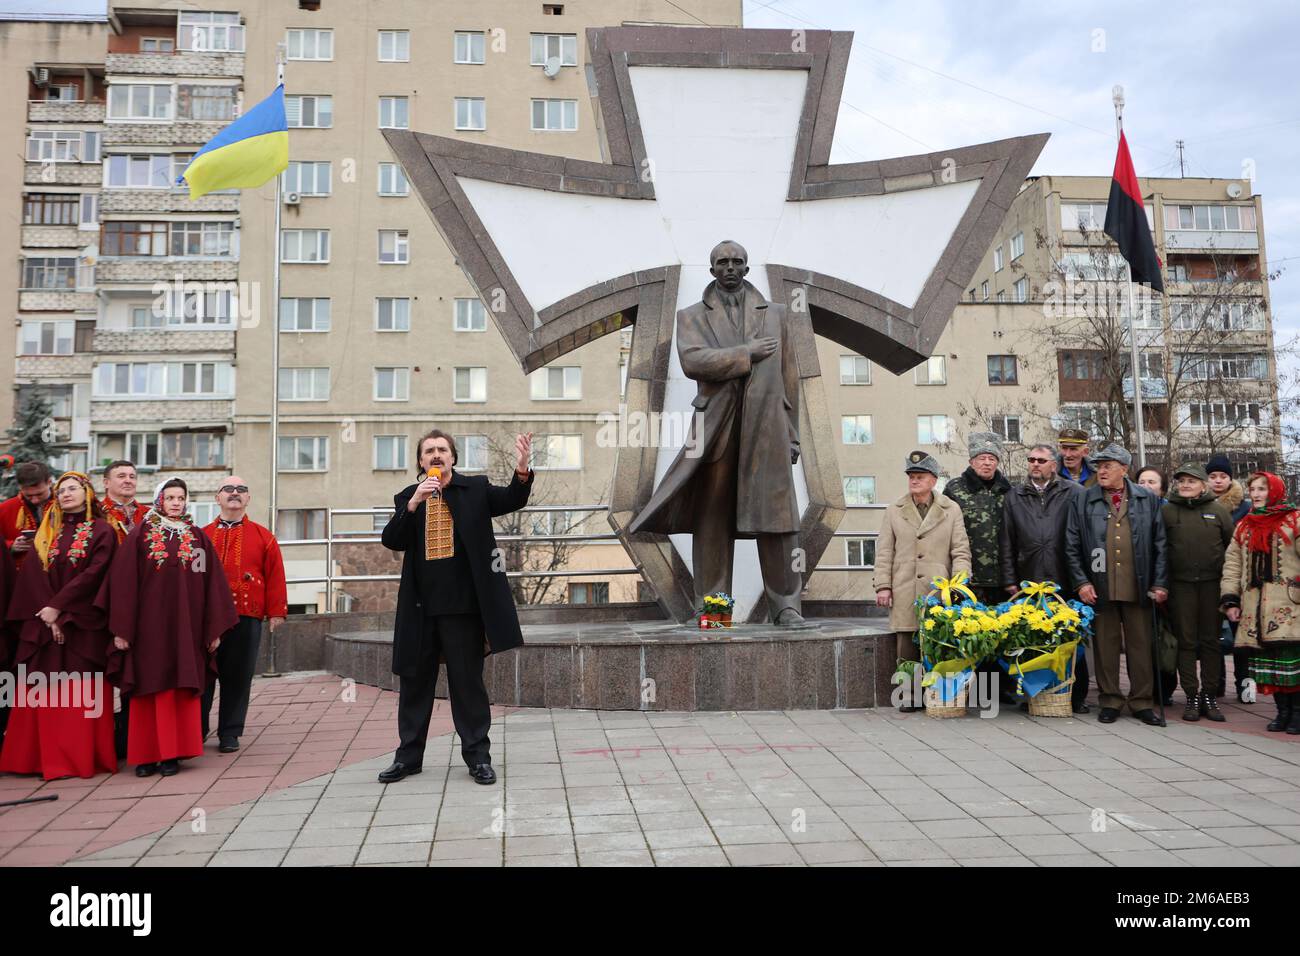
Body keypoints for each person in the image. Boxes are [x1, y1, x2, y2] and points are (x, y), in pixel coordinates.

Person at [628, 240, 805, 625]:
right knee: (712, 519)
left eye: (737, 262)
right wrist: (747, 353)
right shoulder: (691, 316)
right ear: (711, 270)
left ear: (747, 267)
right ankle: (714, 609)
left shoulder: (775, 314)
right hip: (717, 429)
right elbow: (694, 361)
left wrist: (792, 435)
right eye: (722, 262)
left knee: (776, 519)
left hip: (767, 428)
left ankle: (786, 605)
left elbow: (791, 378)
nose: (730, 267)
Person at [378, 430, 534, 785]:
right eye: (429, 451)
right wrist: (415, 502)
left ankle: (478, 757)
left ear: (453, 458)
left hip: (463, 608)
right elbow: (392, 539)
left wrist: (522, 468)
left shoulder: (475, 490)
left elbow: (512, 498)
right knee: (415, 685)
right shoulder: (408, 496)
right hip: (420, 608)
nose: (436, 455)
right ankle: (408, 758)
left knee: (467, 685)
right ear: (421, 461)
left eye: (442, 450)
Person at [102, 479, 238, 777]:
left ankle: (172, 754)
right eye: (171, 497)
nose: (176, 502)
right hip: (147, 630)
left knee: (179, 688)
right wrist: (121, 629)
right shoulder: (141, 535)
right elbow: (123, 584)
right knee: (147, 688)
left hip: (186, 630)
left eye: (181, 497)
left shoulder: (198, 538)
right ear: (159, 500)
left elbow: (213, 586)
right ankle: (146, 755)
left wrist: (213, 630)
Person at [0, 473, 117, 780]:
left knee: (77, 693)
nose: (66, 494)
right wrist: (47, 612)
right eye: (61, 490)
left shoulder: (103, 531)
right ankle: (36, 759)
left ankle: (74, 758)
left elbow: (96, 573)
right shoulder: (47, 531)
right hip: (44, 622)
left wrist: (60, 608)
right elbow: (33, 575)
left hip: (83, 623)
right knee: (43, 690)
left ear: (87, 493)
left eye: (73, 488)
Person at [1065, 443, 1168, 725]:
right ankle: (1110, 699)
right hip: (1100, 584)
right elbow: (1071, 544)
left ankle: (1142, 701)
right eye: (1099, 466)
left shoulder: (1148, 500)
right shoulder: (1084, 500)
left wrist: (1160, 583)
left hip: (1139, 584)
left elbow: (1160, 544)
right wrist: (1082, 582)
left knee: (1140, 645)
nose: (1102, 471)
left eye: (1108, 466)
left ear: (1124, 469)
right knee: (1105, 646)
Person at [874, 451, 972, 712]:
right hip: (904, 587)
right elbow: (884, 551)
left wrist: (959, 586)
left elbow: (960, 551)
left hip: (939, 590)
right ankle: (909, 696)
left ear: (933, 480)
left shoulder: (951, 510)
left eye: (920, 476)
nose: (914, 480)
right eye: (911, 476)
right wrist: (883, 585)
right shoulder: (894, 510)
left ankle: (939, 695)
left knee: (939, 643)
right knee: (906, 645)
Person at [999, 443, 1090, 714]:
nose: (1035, 464)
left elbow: (1083, 538)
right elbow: (1006, 541)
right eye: (1031, 460)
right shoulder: (1014, 496)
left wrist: (1082, 578)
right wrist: (1009, 579)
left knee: (1070, 639)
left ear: (1054, 464)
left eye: (1041, 460)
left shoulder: (1074, 492)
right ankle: (1035, 695)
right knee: (1032, 639)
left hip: (1064, 577)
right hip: (1028, 577)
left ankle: (1076, 695)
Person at [200, 476, 288, 753]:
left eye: (241, 490)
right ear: (218, 497)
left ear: (248, 498)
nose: (234, 493)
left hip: (246, 616)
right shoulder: (201, 535)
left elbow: (275, 575)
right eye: (228, 489)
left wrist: (277, 612)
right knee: (202, 676)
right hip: (207, 620)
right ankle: (197, 730)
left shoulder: (264, 536)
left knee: (238, 676)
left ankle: (230, 732)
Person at [1221, 472, 1300, 734]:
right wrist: (1231, 599)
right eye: (1252, 489)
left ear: (1275, 491)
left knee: (1292, 661)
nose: (1255, 494)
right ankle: (1282, 712)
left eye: (1262, 489)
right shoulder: (1245, 526)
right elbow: (1233, 565)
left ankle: (1297, 712)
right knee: (1270, 664)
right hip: (1255, 608)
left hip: (1290, 606)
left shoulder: (1295, 521)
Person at [1161, 463, 1233, 722]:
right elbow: (1160, 550)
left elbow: (1231, 548)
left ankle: (1209, 696)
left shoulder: (1218, 511)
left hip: (1212, 585)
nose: (1186, 485)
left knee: (1212, 641)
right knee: (1187, 642)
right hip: (1181, 587)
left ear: (1203, 485)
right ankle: (1191, 695)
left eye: (1192, 481)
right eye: (1182, 481)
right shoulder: (1167, 512)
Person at [1207, 453, 1251, 701]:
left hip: (1238, 581)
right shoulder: (1200, 505)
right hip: (1211, 579)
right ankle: (1217, 685)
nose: (1218, 481)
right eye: (1212, 476)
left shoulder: (1244, 508)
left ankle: (1246, 687)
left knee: (1242, 638)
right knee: (1213, 636)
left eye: (1223, 476)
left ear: (1230, 479)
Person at [1135, 465, 1177, 704]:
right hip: (1140, 583)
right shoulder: (1131, 510)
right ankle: (1145, 688)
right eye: (1141, 481)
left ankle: (1165, 689)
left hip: (1166, 583)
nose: (1146, 486)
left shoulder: (1169, 512)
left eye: (1152, 482)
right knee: (1144, 640)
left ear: (1162, 488)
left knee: (1166, 640)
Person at [0, 462, 55, 568]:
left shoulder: (65, 505)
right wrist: (11, 546)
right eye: (28, 495)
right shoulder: (5, 509)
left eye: (39, 494)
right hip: (20, 575)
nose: (34, 500)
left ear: (49, 482)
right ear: (20, 487)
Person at [101, 460, 149, 543]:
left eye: (132, 477)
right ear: (106, 483)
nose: (128, 481)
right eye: (121, 476)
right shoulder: (97, 512)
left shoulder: (149, 514)